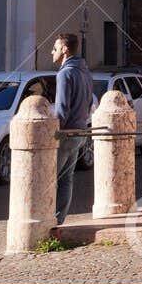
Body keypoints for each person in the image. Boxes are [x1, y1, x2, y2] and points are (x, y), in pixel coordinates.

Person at [50, 33, 94, 225]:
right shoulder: (85, 72)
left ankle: (48, 221)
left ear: (65, 50)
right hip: (81, 131)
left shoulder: (65, 73)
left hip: (66, 133)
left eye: (55, 48)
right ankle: (59, 219)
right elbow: (90, 101)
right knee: (66, 179)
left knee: (50, 180)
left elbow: (62, 107)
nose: (52, 52)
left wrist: (54, 132)